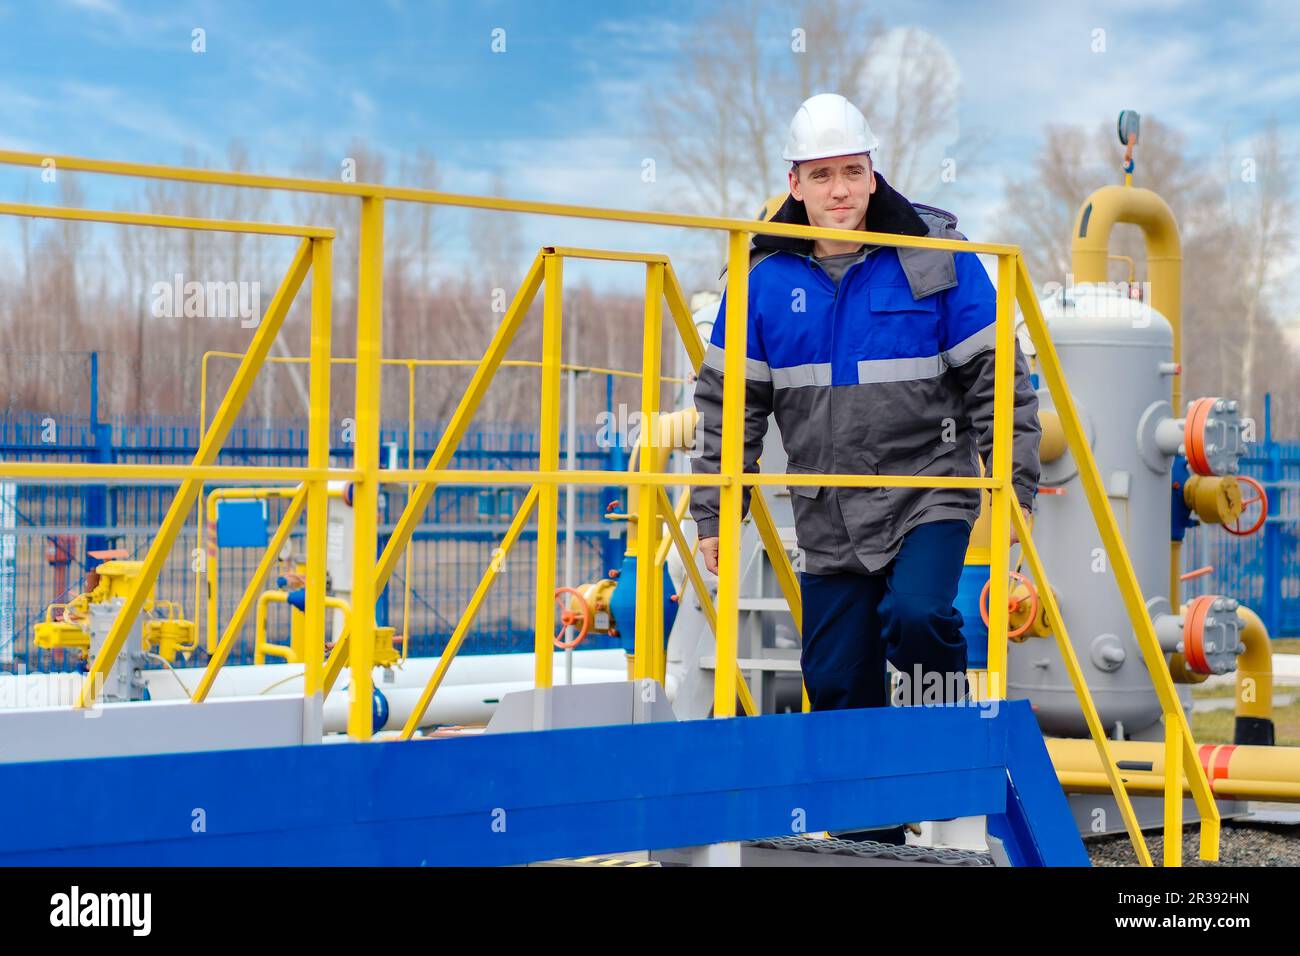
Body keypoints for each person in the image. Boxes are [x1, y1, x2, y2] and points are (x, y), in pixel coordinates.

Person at [690, 92, 1041, 713]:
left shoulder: (935, 258)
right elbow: (729, 404)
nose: (840, 190)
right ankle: (868, 815)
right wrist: (717, 512)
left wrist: (1013, 489)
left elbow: (998, 383)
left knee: (917, 617)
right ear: (794, 184)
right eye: (822, 175)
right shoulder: (762, 280)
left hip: (927, 491)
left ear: (873, 173)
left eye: (853, 171)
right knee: (833, 683)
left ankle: (943, 752)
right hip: (828, 509)